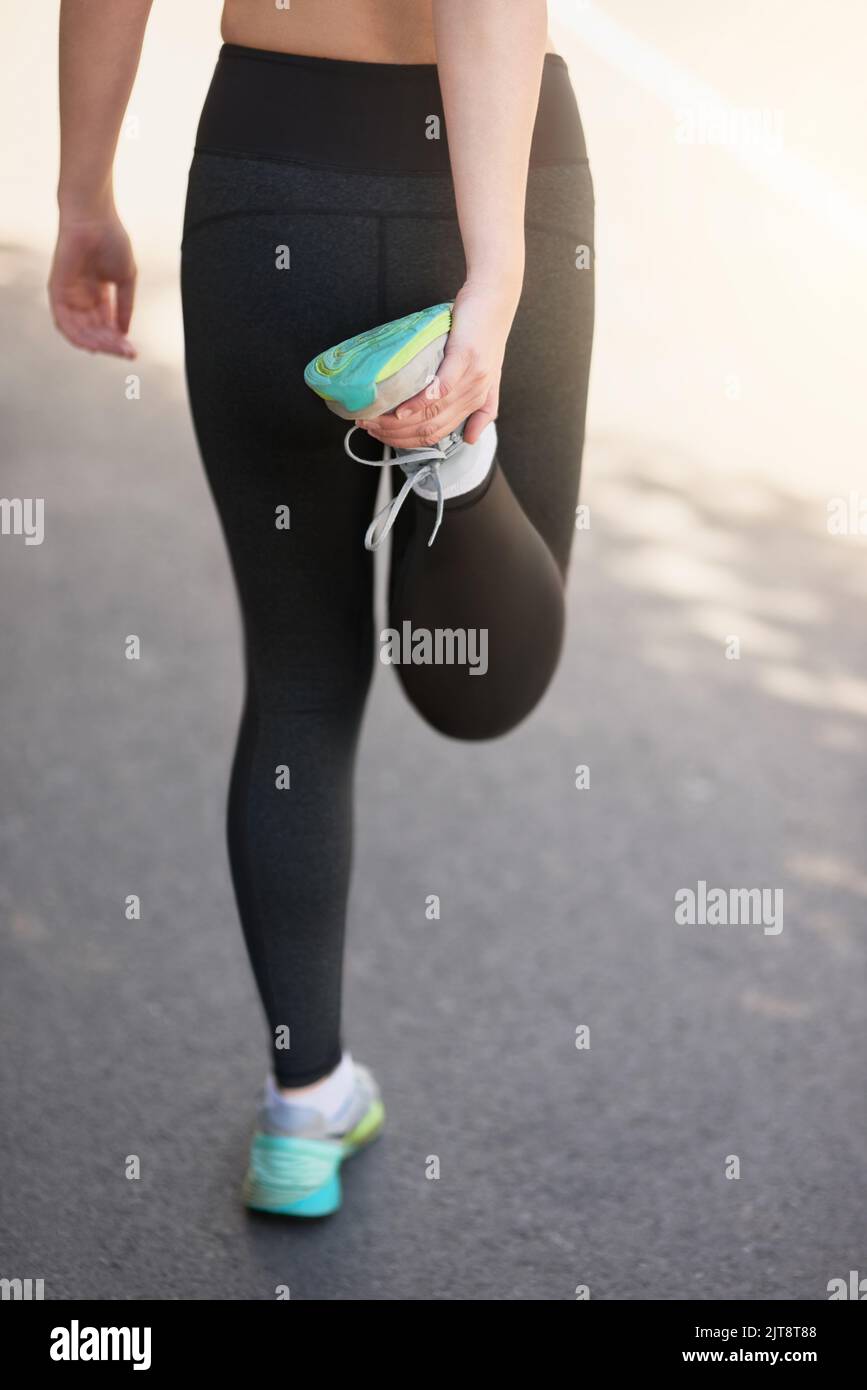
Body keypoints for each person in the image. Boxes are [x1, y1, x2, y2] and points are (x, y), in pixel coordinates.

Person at [49, 0, 595, 1217]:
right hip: (502, 169)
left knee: (297, 675)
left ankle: (303, 1109)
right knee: (481, 681)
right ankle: (458, 470)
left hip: (268, 175)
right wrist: (492, 278)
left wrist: (83, 192)